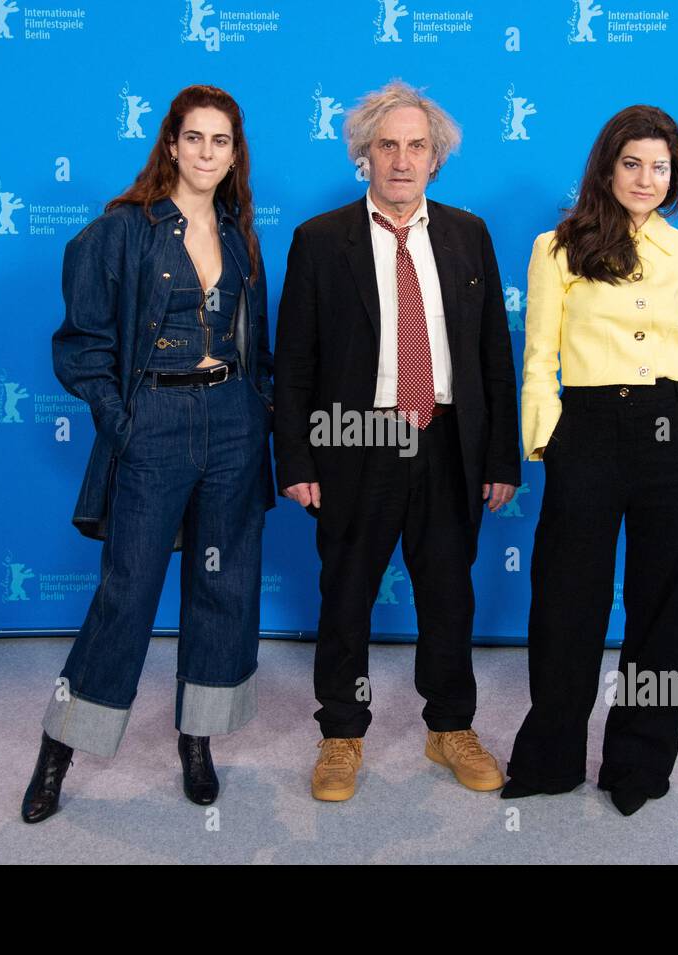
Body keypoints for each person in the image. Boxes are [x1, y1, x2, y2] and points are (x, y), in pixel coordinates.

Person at [21, 85, 275, 822]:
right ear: (170, 144)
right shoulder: (121, 231)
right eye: (194, 138)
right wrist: (121, 421)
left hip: (232, 424)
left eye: (221, 141)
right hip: (154, 422)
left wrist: (257, 413)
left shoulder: (239, 234)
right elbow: (81, 346)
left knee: (223, 589)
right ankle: (56, 753)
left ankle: (197, 743)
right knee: (126, 593)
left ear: (235, 153)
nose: (206, 153)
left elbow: (258, 346)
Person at [274, 80, 522, 802]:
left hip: (448, 445)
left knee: (449, 593)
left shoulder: (468, 234)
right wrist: (296, 457)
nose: (403, 159)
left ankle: (450, 726)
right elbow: (293, 362)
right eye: (388, 145)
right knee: (345, 593)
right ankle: (342, 735)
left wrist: (500, 454)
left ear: (436, 158)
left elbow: (491, 359)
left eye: (418, 146)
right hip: (357, 441)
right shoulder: (319, 241)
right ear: (365, 155)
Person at [503, 104, 678, 816]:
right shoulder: (557, 247)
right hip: (590, 430)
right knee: (569, 601)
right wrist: (546, 439)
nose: (646, 177)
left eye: (660, 166)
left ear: (676, 176)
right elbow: (540, 354)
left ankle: (637, 762)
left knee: (664, 607)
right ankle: (552, 754)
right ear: (607, 167)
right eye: (632, 162)